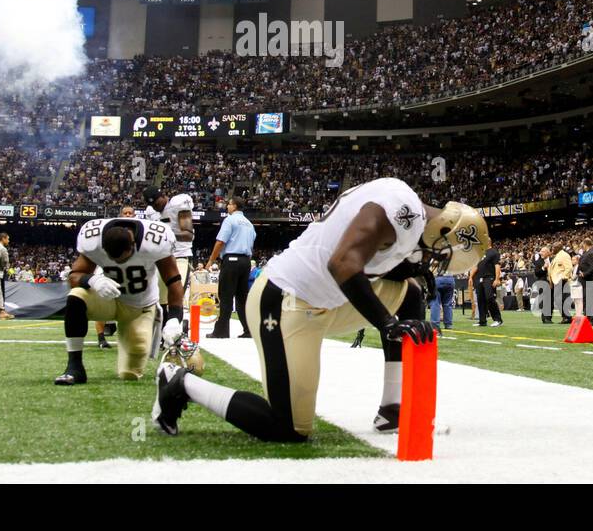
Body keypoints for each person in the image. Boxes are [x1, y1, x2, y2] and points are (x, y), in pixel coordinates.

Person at [151, 180, 487, 442]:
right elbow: (342, 263)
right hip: (285, 301)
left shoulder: (409, 217)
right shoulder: (400, 209)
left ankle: (392, 409)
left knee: (410, 294)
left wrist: (408, 275)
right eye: (440, 256)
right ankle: (181, 383)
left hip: (327, 299)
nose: (433, 261)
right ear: (443, 230)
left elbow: (371, 263)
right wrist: (386, 323)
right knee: (287, 428)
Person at [55, 215, 183, 385]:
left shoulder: (155, 240)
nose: (117, 262)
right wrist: (93, 280)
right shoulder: (93, 239)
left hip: (140, 308)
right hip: (108, 299)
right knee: (76, 297)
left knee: (129, 374)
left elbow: (173, 281)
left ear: (133, 245)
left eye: (122, 258)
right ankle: (74, 367)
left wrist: (174, 318)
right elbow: (73, 277)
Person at [204, 195, 256, 338]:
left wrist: (210, 260)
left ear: (235, 206)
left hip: (231, 259)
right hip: (245, 261)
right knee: (242, 297)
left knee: (226, 295)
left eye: (229, 204)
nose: (227, 206)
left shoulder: (230, 220)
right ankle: (249, 330)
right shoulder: (249, 224)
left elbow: (220, 242)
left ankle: (221, 331)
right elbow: (251, 244)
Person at [473, 241, 503, 327]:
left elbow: (497, 266)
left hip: (489, 278)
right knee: (480, 299)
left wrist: (497, 279)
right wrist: (471, 277)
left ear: (488, 241)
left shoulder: (494, 252)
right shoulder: (480, 253)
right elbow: (477, 267)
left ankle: (498, 320)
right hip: (479, 279)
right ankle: (482, 321)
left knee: (490, 298)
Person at [576, 243, 593, 326]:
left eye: (582, 245)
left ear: (585, 244)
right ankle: (588, 318)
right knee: (586, 300)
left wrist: (584, 273)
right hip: (585, 280)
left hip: (589, 280)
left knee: (590, 300)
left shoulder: (591, 253)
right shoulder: (587, 253)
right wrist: (578, 273)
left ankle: (592, 320)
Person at [548, 244, 573, 325]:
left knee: (560, 300)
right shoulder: (557, 256)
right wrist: (551, 281)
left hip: (562, 280)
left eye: (553, 247)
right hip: (556, 281)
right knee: (558, 300)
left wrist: (562, 277)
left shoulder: (564, 255)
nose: (552, 249)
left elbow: (569, 268)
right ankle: (566, 317)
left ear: (557, 248)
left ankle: (567, 317)